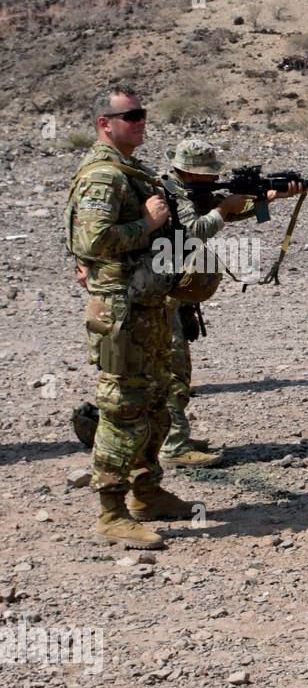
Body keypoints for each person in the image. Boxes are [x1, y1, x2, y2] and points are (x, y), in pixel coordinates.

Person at [65, 86, 196, 550]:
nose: (141, 122)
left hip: (146, 306)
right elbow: (93, 241)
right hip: (121, 311)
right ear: (105, 123)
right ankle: (111, 512)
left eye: (143, 114)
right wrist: (149, 225)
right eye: (131, 116)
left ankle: (146, 491)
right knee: (124, 407)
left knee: (156, 401)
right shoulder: (104, 176)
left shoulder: (129, 171)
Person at [156, 139, 304, 467]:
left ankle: (168, 436)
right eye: (207, 174)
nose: (213, 179)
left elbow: (225, 210)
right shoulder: (173, 194)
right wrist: (224, 208)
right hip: (160, 294)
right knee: (173, 372)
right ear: (187, 172)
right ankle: (173, 446)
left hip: (168, 290)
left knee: (172, 370)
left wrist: (268, 198)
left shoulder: (186, 190)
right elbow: (196, 229)